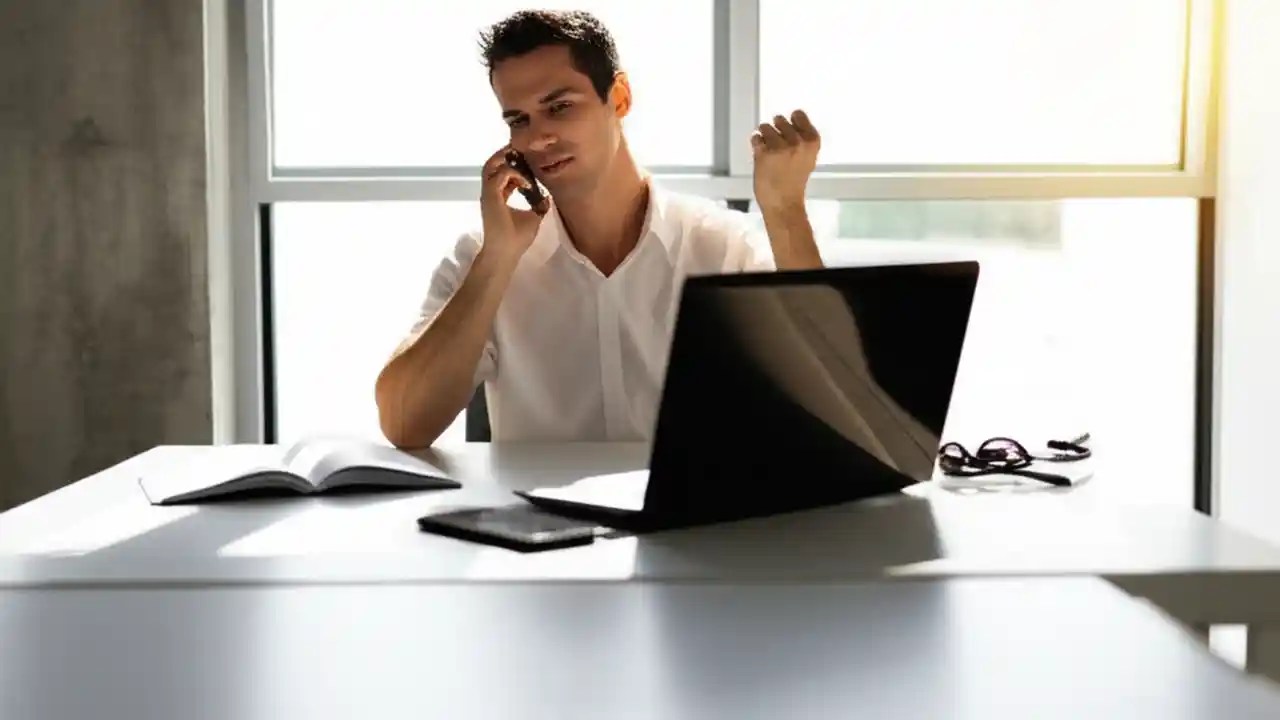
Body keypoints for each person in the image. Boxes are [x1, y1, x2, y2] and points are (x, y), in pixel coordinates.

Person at [375, 9, 823, 448]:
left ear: (620, 98)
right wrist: (496, 262)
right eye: (518, 120)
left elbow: (831, 398)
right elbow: (403, 424)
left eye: (560, 107)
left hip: (693, 521)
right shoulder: (485, 256)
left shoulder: (725, 247)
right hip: (540, 521)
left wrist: (785, 213)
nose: (537, 139)